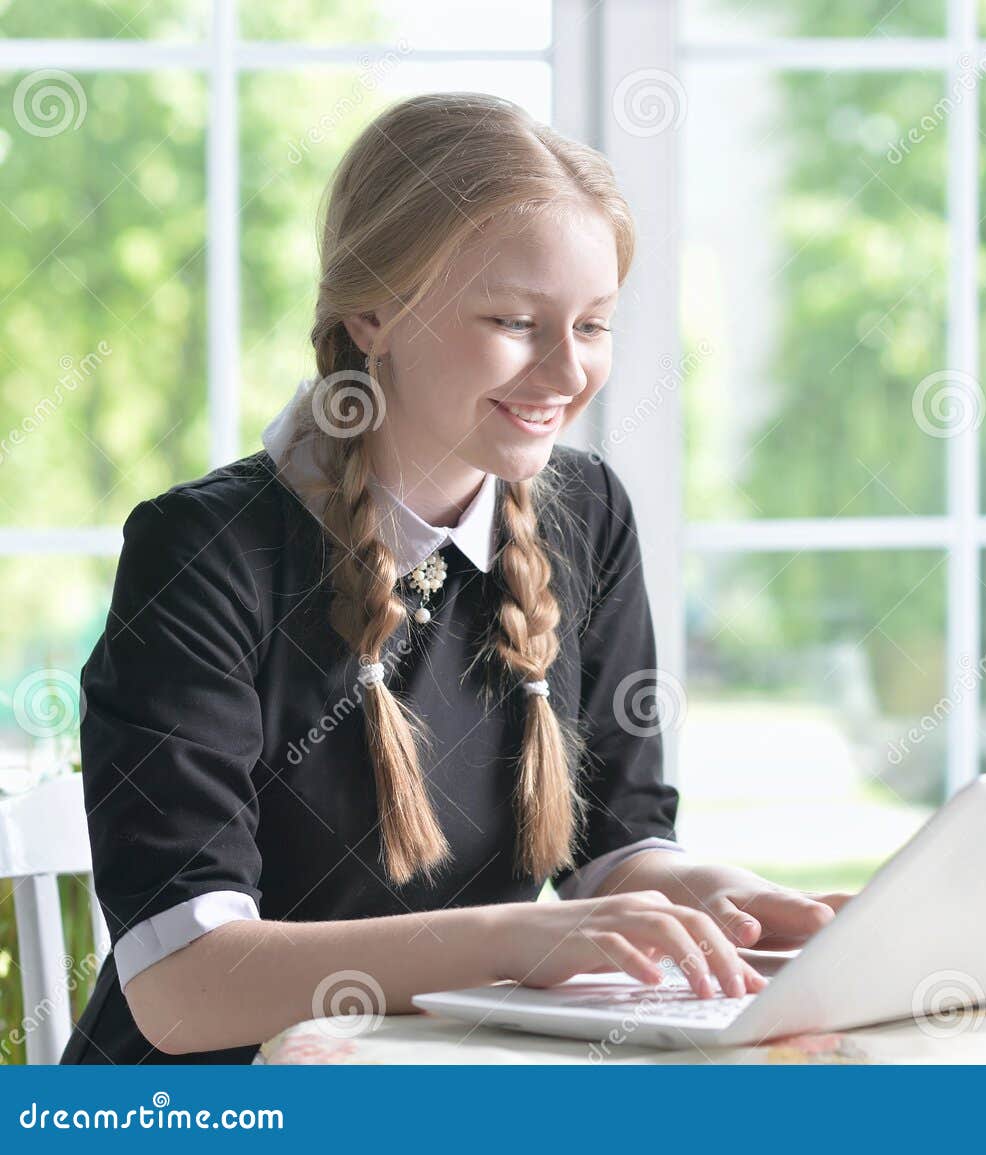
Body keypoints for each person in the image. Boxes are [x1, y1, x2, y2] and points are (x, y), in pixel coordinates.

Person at [62, 92, 847, 1064]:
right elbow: (183, 991)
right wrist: (519, 940)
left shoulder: (586, 514)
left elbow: (614, 839)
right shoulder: (204, 554)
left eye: (593, 325)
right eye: (516, 321)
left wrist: (725, 898)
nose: (566, 372)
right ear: (371, 314)